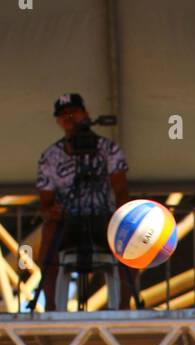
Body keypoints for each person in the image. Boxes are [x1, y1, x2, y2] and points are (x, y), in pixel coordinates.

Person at [35, 92, 134, 311]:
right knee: (49, 232)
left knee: (129, 235)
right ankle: (50, 304)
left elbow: (121, 189)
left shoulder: (108, 149)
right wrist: (52, 212)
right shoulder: (50, 156)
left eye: (74, 112)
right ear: (58, 122)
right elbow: (45, 203)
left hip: (103, 219)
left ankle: (125, 304)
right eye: (63, 116)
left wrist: (123, 216)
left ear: (86, 115)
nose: (69, 118)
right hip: (67, 223)